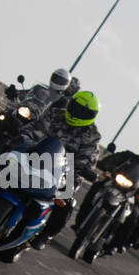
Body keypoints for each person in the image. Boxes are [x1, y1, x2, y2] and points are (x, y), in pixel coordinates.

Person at [15, 89, 102, 249]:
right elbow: (35, 128)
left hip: (64, 171)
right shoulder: (56, 113)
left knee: (65, 200)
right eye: (76, 107)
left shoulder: (92, 135)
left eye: (84, 112)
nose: (78, 113)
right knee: (8, 160)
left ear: (91, 116)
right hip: (37, 155)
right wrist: (25, 138)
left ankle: (46, 234)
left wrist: (78, 171)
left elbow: (87, 160)